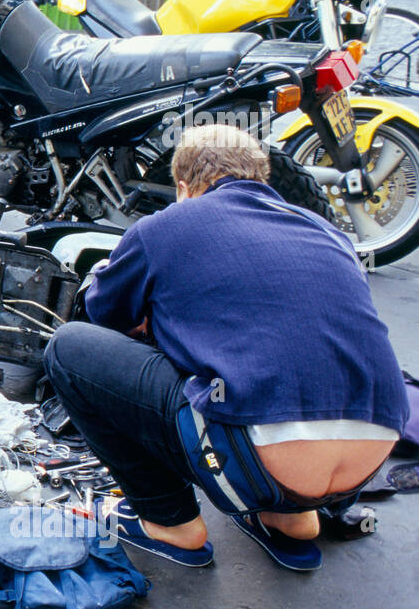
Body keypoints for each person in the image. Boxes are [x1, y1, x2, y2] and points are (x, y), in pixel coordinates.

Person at [43, 124, 407, 572]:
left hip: (262, 458)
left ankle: (170, 522)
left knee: (69, 348)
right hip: (369, 455)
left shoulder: (163, 227)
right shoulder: (322, 228)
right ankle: (291, 517)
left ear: (183, 187)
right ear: (261, 177)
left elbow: (104, 318)